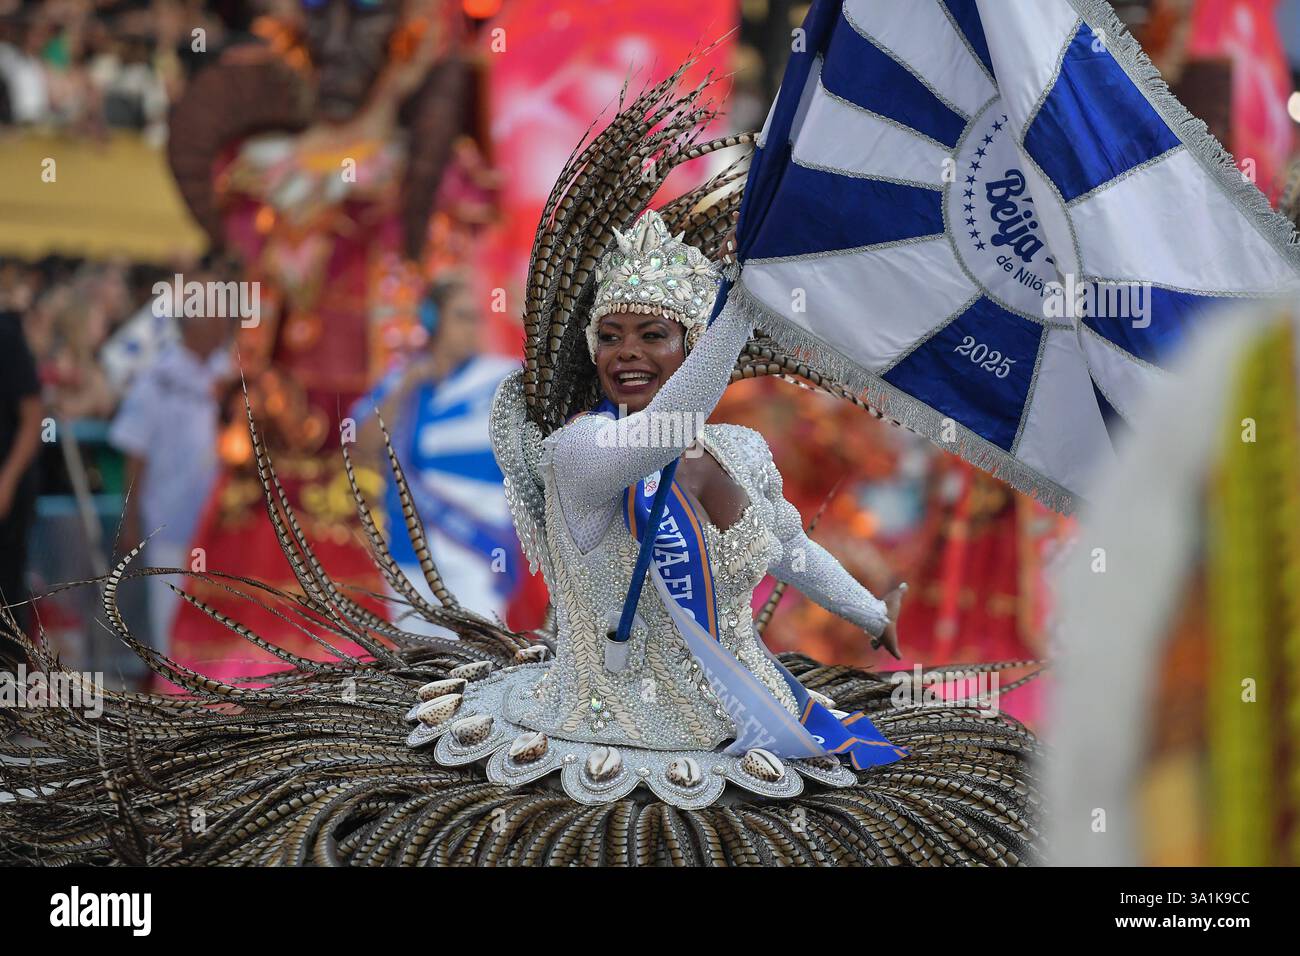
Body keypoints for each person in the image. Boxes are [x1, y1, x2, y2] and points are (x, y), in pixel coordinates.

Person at [0, 71, 1039, 866]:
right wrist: (741, 312)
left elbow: (792, 544)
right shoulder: (583, 448)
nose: (628, 354)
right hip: (589, 734)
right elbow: (664, 427)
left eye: (656, 336)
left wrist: (868, 611)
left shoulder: (741, 451)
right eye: (612, 335)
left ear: (685, 344)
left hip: (749, 721)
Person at [354, 273, 520, 635]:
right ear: (432, 321)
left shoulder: (502, 380)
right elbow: (360, 448)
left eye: (478, 317)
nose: (473, 328)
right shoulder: (402, 380)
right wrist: (407, 386)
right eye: (462, 317)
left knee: (480, 664)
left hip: (476, 551)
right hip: (406, 551)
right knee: (416, 672)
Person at [108, 309, 231, 657]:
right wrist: (129, 521)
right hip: (170, 524)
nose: (224, 328)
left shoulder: (232, 374)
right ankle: (175, 699)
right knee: (170, 620)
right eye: (216, 321)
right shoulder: (158, 379)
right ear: (193, 329)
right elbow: (134, 453)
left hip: (223, 527)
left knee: (218, 623)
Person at [0, 284, 43, 667]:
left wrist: (7, 481)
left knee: (7, 596)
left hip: (7, 497)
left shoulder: (6, 337)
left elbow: (33, 419)